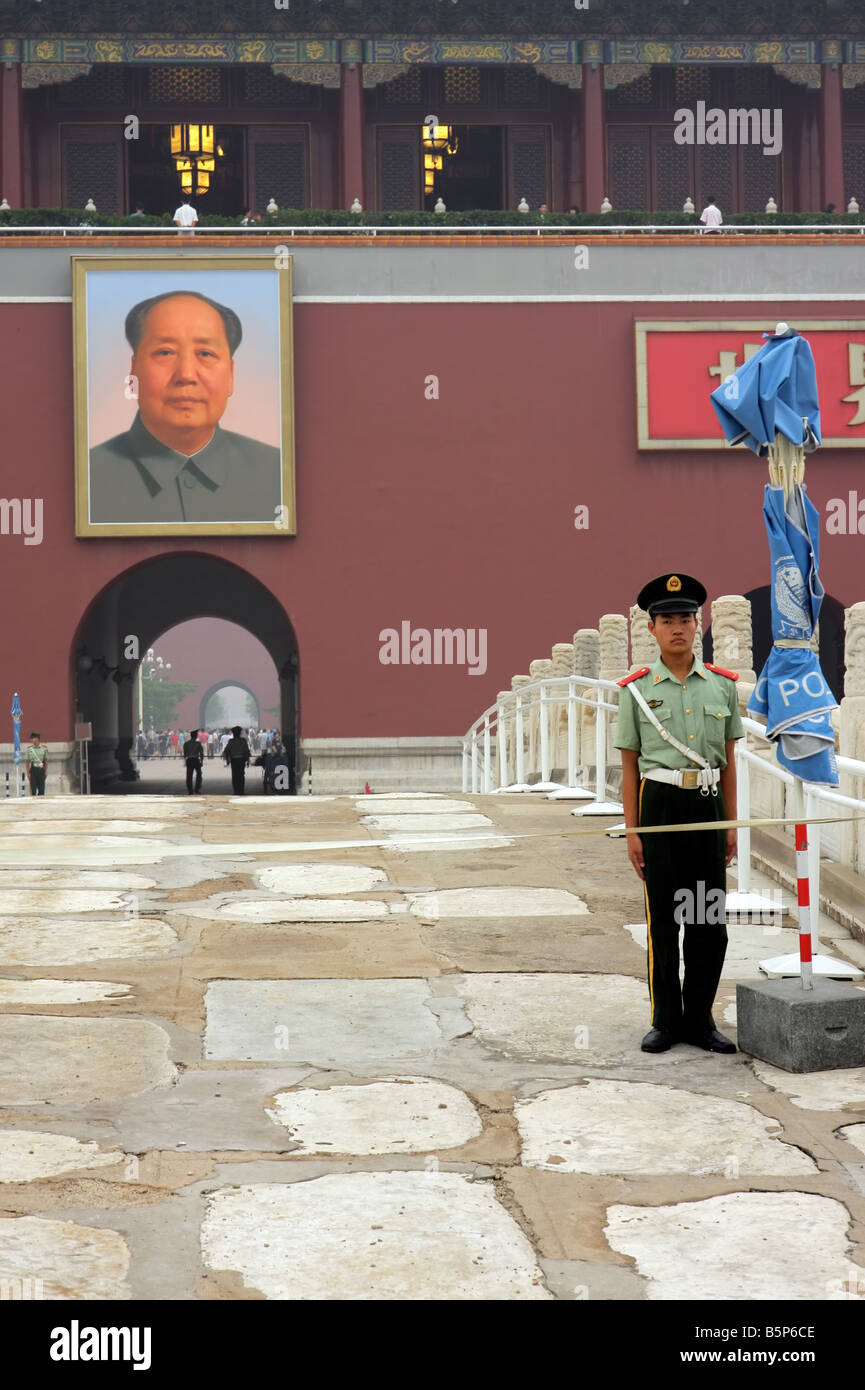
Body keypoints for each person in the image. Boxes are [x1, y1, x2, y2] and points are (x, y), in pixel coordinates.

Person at [613, 573, 744, 1055]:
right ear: (651, 629)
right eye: (667, 620)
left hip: (707, 807)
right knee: (664, 921)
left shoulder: (722, 688)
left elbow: (728, 762)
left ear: (699, 625)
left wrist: (730, 823)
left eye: (686, 619)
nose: (677, 628)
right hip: (660, 807)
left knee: (708, 919)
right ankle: (666, 1021)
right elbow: (629, 767)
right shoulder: (636, 690)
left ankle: (700, 1020)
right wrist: (633, 832)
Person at [89, 290, 282, 525]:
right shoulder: (86, 479)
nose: (186, 375)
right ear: (134, 370)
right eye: (165, 352)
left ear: (230, 375)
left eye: (205, 353)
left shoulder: (279, 475)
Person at [223, 724, 251, 795]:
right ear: (239, 733)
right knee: (241, 775)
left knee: (235, 776)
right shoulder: (243, 741)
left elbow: (226, 751)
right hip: (241, 760)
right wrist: (247, 760)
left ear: (234, 733)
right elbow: (246, 751)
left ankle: (236, 791)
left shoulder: (231, 741)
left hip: (234, 760)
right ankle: (241, 790)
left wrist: (227, 760)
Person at [23, 731, 48, 796]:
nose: (31, 740)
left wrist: (45, 771)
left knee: (41, 790)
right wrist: (28, 773)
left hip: (41, 770)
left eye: (32, 738)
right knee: (33, 790)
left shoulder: (44, 749)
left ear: (37, 739)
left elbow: (46, 761)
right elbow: (27, 762)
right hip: (33, 770)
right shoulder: (29, 749)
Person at [183, 728, 204, 794]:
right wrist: (201, 762)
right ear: (195, 736)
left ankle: (190, 790)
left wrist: (185, 761)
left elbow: (185, 754)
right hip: (196, 760)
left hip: (189, 760)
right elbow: (201, 753)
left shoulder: (186, 744)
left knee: (189, 776)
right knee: (199, 774)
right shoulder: (198, 743)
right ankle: (197, 789)